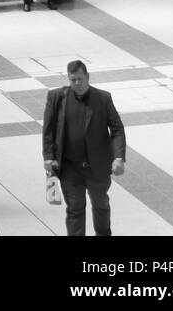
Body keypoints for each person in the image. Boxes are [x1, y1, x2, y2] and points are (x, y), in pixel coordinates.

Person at [42, 60, 127, 236]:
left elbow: (117, 128)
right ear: (68, 79)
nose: (77, 84)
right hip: (70, 166)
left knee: (101, 205)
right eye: (73, 80)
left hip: (97, 166)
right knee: (75, 208)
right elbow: (48, 130)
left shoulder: (103, 98)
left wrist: (118, 157)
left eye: (80, 79)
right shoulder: (57, 97)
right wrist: (48, 156)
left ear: (88, 77)